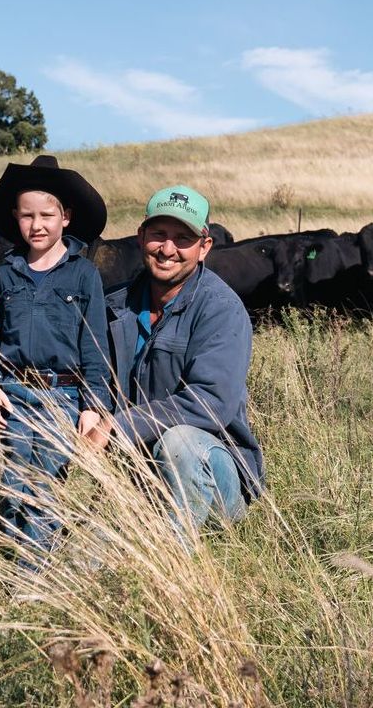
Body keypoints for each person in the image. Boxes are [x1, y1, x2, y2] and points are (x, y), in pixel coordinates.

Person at [93, 185, 264, 538]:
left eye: (183, 238)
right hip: (138, 470)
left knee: (181, 442)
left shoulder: (220, 309)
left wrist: (119, 425)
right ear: (141, 238)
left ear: (204, 247)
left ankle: (173, 567)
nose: (168, 249)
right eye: (159, 234)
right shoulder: (114, 305)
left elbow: (212, 402)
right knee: (82, 561)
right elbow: (91, 374)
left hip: (214, 473)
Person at [0, 154, 114, 555]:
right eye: (27, 216)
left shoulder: (83, 274)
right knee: (15, 480)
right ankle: (15, 559)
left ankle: (33, 575)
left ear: (66, 217)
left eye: (46, 214)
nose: (36, 225)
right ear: (15, 219)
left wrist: (93, 404)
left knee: (48, 482)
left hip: (63, 397)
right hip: (16, 394)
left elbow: (95, 346)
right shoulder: (5, 273)